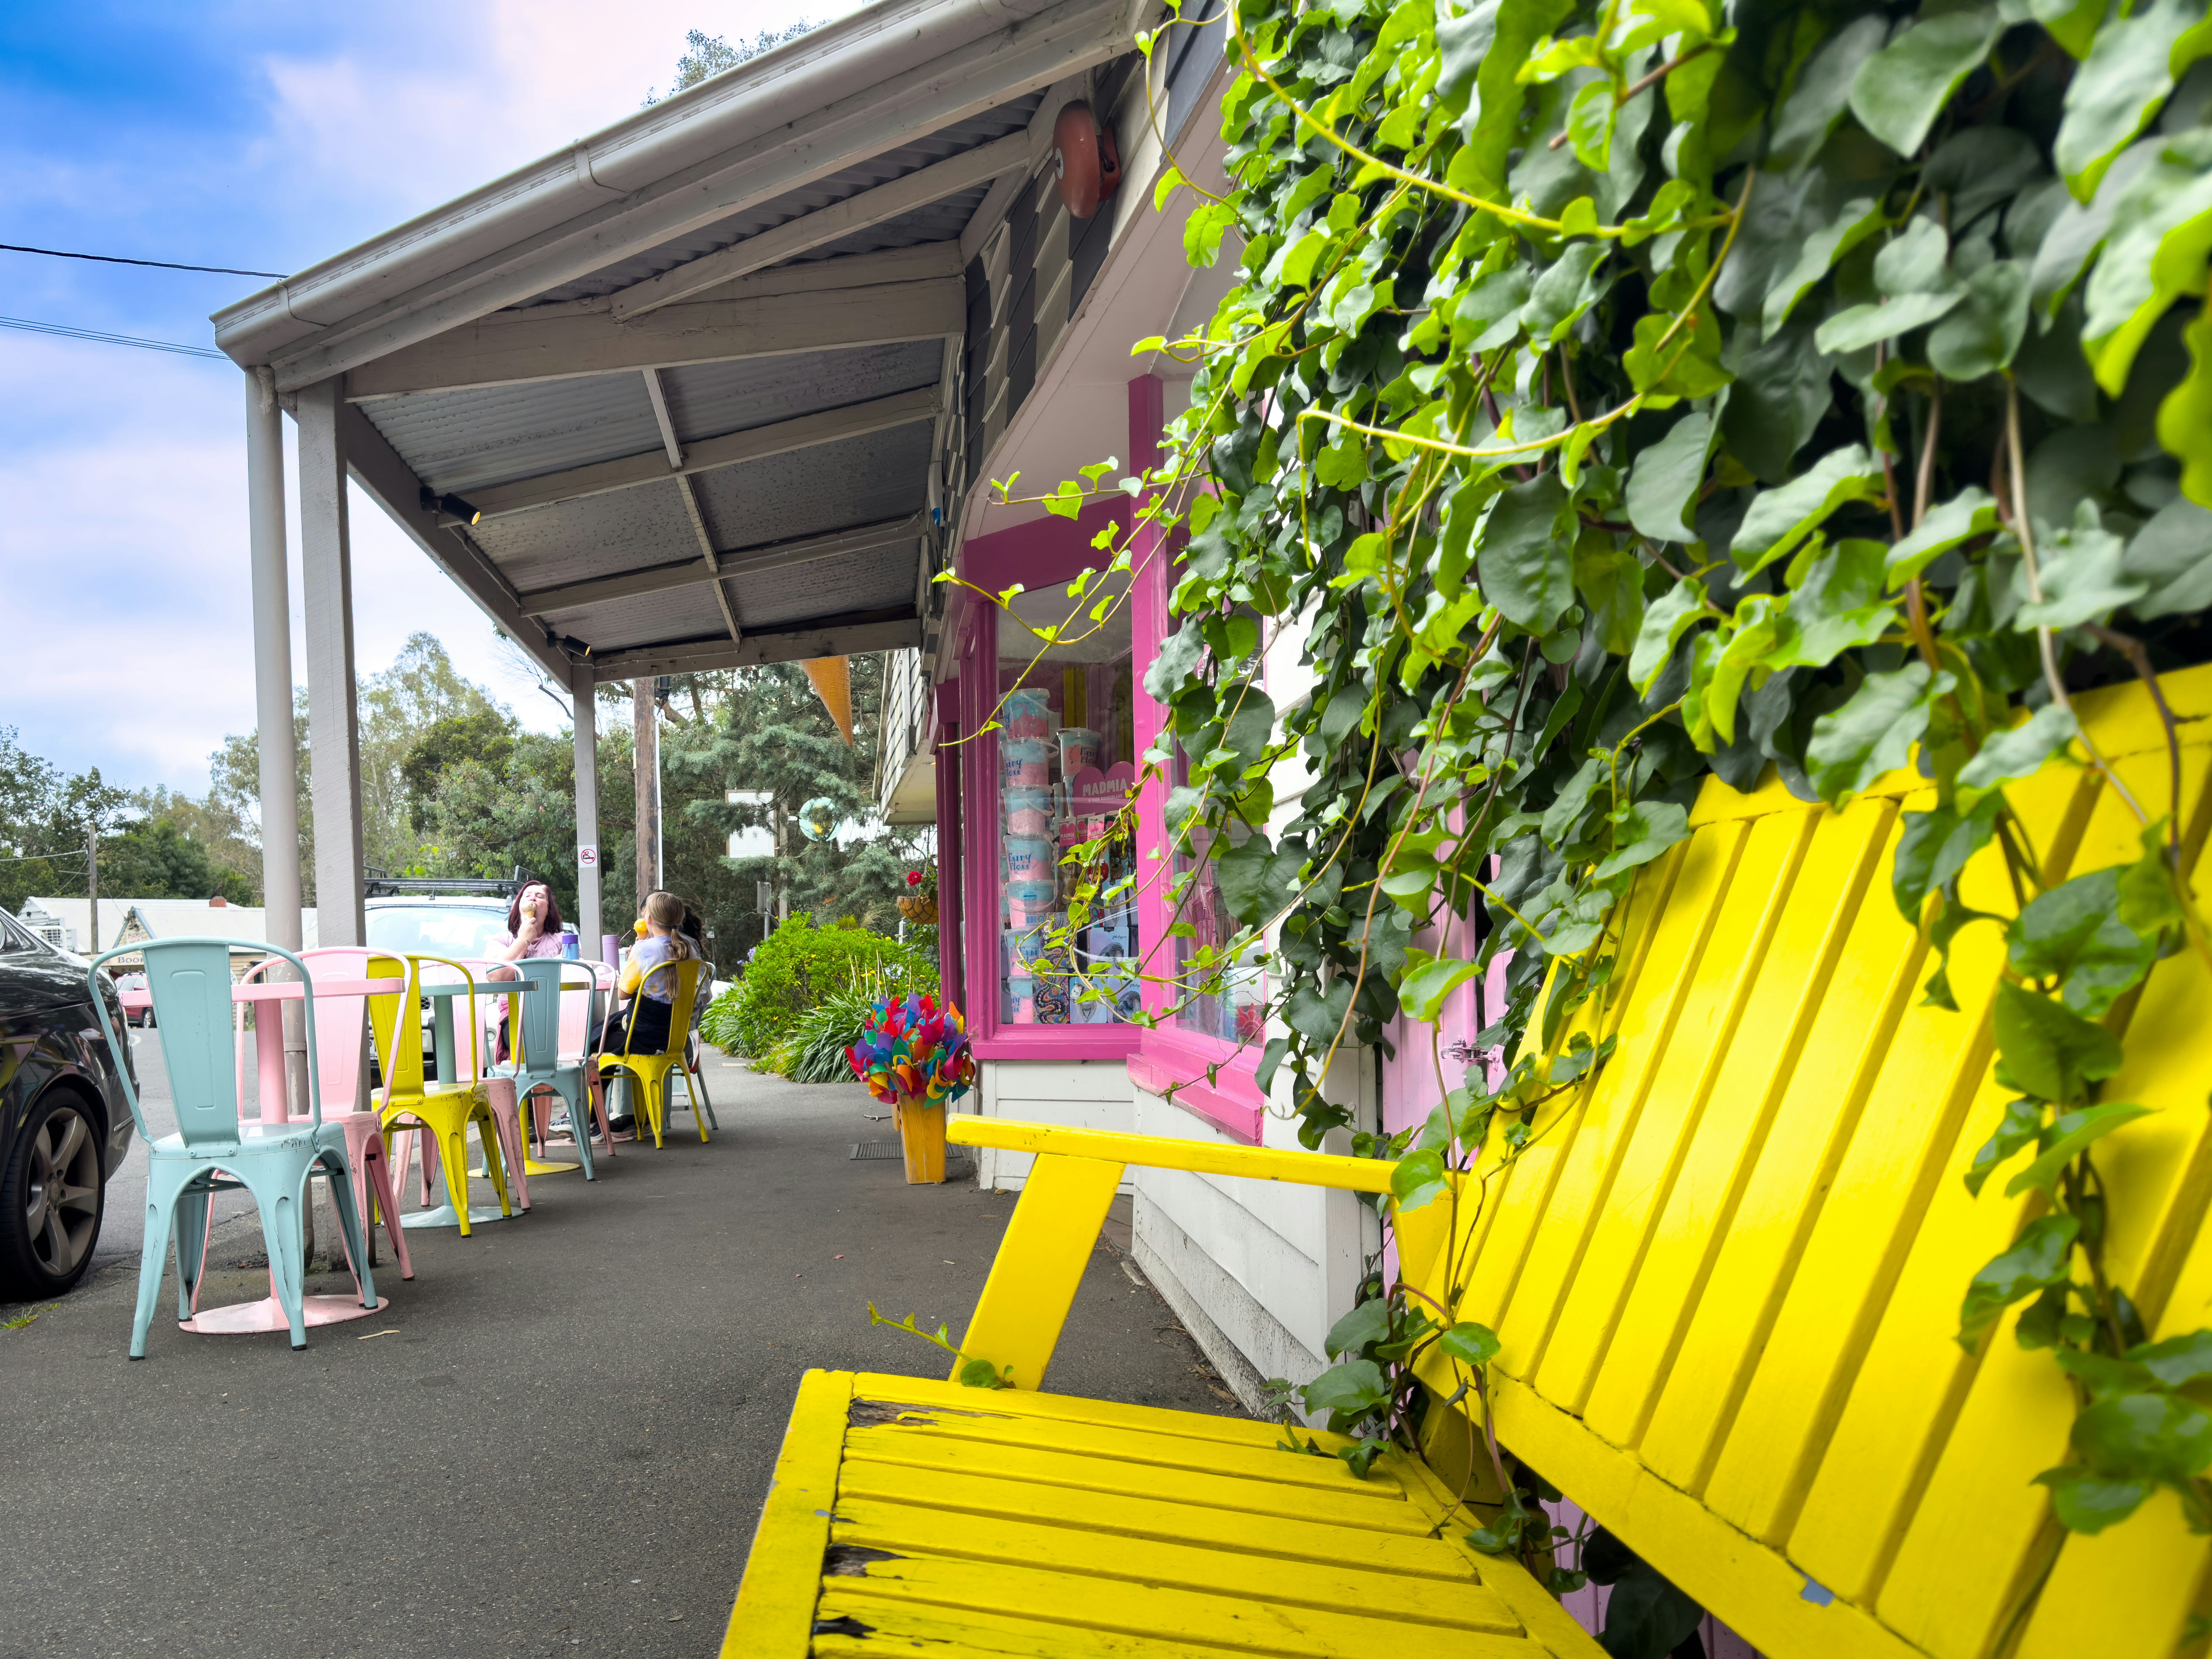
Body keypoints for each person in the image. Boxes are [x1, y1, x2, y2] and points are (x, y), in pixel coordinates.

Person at [485, 881, 565, 1061]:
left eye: (540, 896)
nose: (533, 898)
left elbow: (575, 971)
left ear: (549, 909)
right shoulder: (502, 940)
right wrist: (523, 941)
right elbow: (495, 976)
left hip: (558, 1013)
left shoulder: (562, 940)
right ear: (517, 906)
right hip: (515, 1015)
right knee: (530, 1044)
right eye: (527, 896)